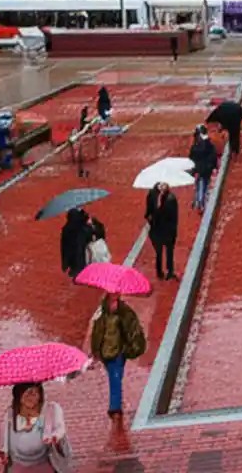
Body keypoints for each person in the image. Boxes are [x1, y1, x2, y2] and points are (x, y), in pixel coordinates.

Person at [88, 293, 146, 426]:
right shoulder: (101, 311)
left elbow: (133, 330)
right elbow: (96, 331)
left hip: (118, 352)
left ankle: (115, 407)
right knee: (115, 377)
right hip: (105, 352)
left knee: (115, 377)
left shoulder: (125, 311)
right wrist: (95, 351)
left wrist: (130, 348)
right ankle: (117, 401)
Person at [0, 383, 72, 473]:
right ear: (18, 396)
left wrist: (56, 437)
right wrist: (3, 452)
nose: (31, 397)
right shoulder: (10, 415)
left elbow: (60, 431)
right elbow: (2, 444)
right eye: (27, 393)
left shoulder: (50, 410)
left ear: (40, 395)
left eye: (34, 393)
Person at [149, 182, 180, 280]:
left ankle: (169, 271)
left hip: (167, 230)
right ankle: (160, 271)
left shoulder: (170, 199)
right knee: (159, 252)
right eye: (160, 185)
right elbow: (150, 213)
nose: (161, 187)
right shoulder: (154, 197)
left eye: (164, 185)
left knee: (169, 251)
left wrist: (159, 206)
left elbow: (172, 216)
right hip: (158, 230)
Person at [188, 124, 219, 210]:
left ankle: (199, 202)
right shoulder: (210, 145)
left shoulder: (196, 146)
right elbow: (213, 156)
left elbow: (191, 157)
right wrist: (214, 166)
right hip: (206, 169)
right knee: (204, 185)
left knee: (199, 185)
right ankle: (200, 202)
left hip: (198, 169)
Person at [60, 209, 92, 278]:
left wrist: (64, 263)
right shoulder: (83, 228)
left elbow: (63, 247)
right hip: (83, 259)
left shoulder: (66, 229)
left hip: (72, 260)